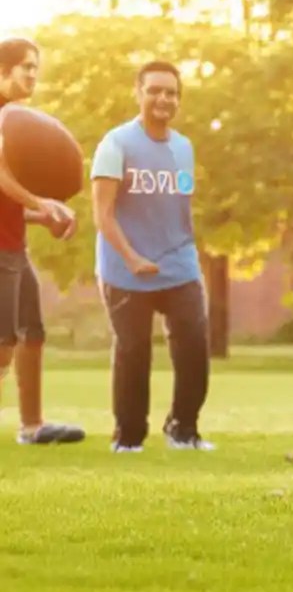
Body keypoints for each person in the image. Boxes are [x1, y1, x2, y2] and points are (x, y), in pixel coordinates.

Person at [90, 61, 212, 453]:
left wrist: (189, 252)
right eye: (155, 90)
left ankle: (184, 429)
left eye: (171, 92)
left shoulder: (184, 147)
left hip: (178, 264)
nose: (163, 98)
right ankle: (128, 437)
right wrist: (131, 258)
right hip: (127, 269)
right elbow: (102, 214)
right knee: (133, 352)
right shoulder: (116, 144)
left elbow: (181, 203)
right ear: (138, 93)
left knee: (194, 346)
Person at [0, 37, 83, 445]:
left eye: (36, 67)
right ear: (4, 71)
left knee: (32, 330)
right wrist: (41, 202)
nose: (33, 74)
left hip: (12, 242)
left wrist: (41, 215)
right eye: (25, 67)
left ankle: (32, 426)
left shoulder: (16, 123)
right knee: (2, 342)